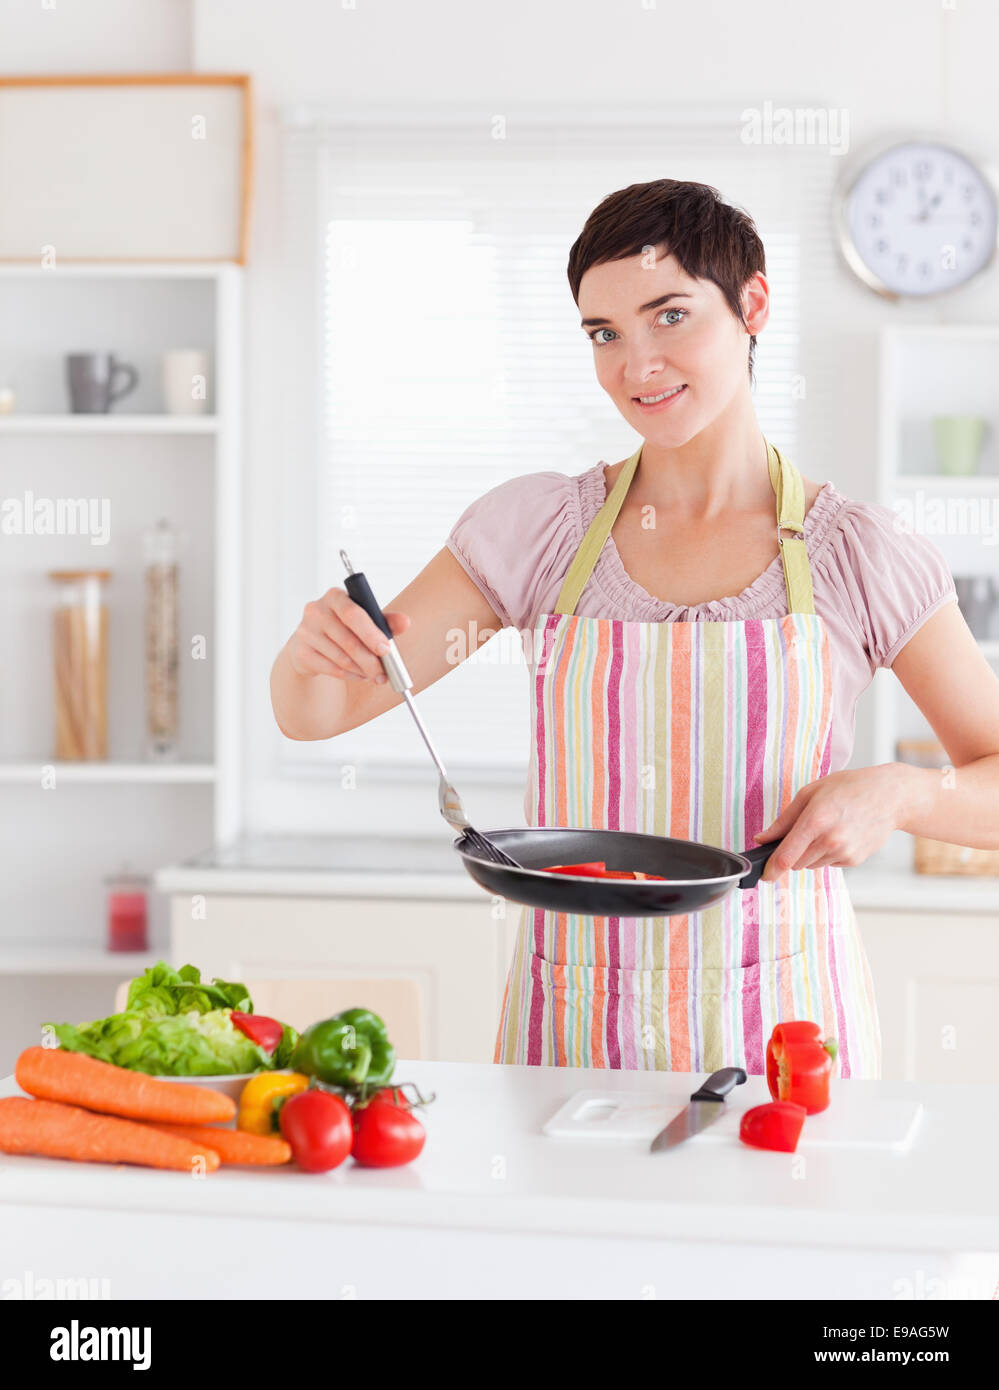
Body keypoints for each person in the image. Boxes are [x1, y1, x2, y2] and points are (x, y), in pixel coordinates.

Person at [271, 178, 999, 1079]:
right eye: (603, 333)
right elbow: (318, 711)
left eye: (670, 316)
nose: (635, 364)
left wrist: (901, 793)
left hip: (787, 1033)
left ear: (754, 304)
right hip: (575, 1028)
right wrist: (313, 652)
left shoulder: (857, 552)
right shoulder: (538, 531)